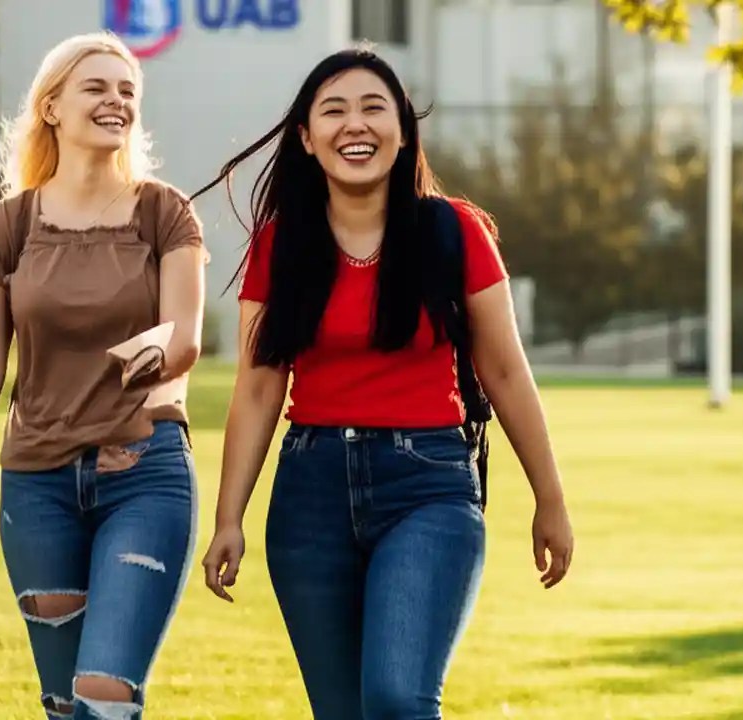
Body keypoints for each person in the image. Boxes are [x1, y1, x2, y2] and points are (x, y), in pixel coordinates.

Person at [193, 47, 575, 718]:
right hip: (309, 493)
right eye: (333, 111)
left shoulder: (454, 231)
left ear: (403, 130)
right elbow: (258, 387)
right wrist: (230, 516)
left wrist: (551, 500)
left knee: (398, 698)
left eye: (374, 108)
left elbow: (507, 371)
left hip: (428, 485)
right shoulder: (281, 245)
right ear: (308, 140)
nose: (355, 126)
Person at [0, 31, 206, 720]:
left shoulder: (166, 213)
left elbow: (184, 340)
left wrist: (113, 368)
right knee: (65, 704)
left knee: (105, 692)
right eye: (96, 87)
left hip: (144, 474)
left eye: (127, 91)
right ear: (52, 107)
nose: (116, 100)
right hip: (37, 485)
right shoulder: (3, 228)